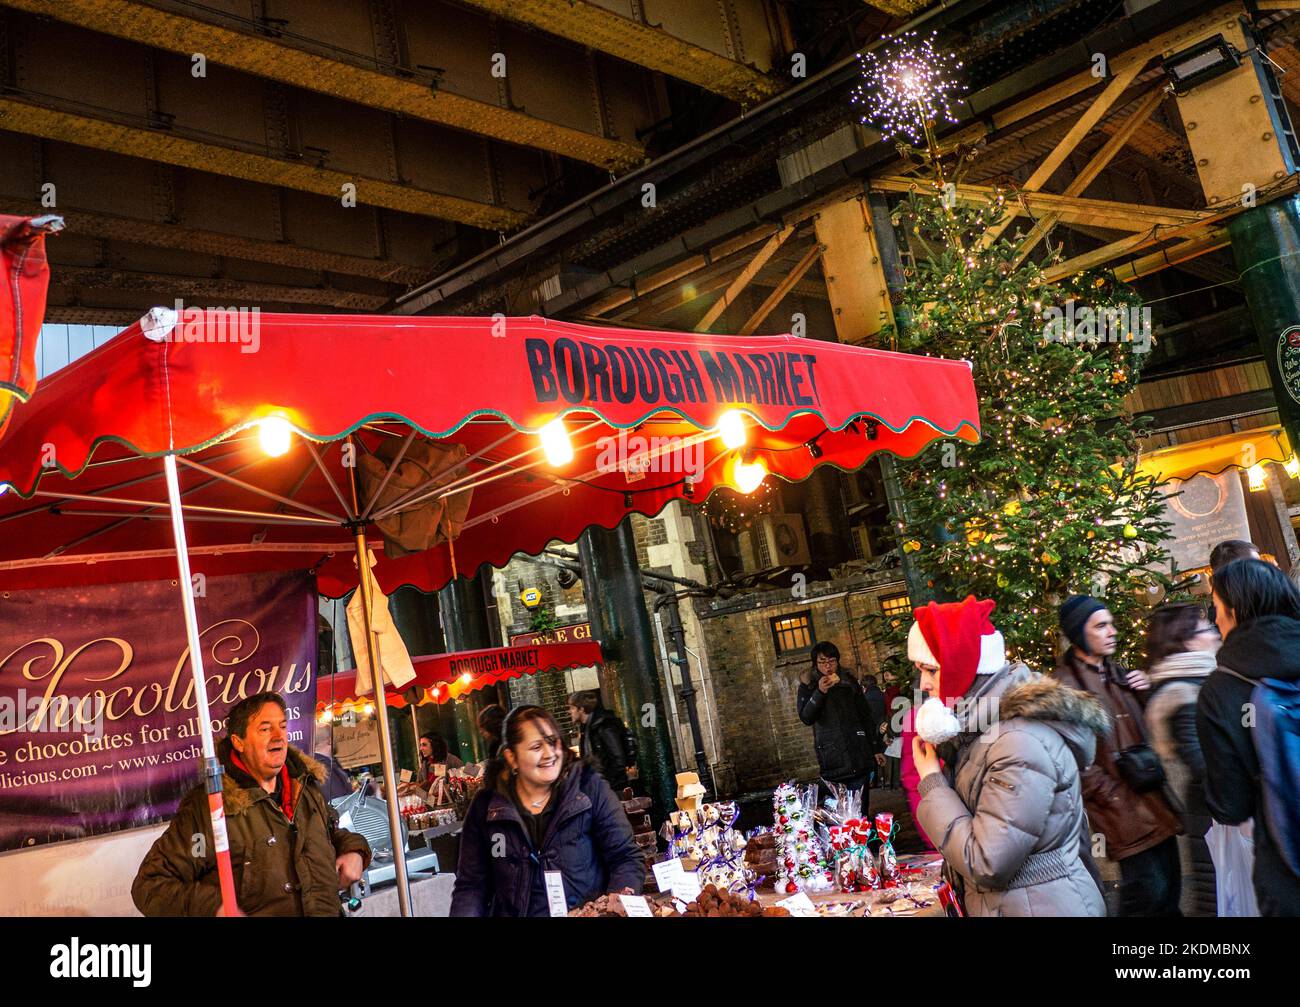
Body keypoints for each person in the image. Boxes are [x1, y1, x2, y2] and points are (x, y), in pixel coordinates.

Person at [912, 596, 1107, 916]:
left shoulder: (1017, 741)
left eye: (931, 670)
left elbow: (988, 862)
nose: (923, 683)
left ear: (961, 665)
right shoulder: (981, 729)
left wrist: (932, 782)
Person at [132, 692, 371, 916]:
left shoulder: (304, 786)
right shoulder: (210, 806)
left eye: (283, 727)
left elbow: (329, 834)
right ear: (239, 742)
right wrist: (212, 907)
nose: (279, 736)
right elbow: (150, 885)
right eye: (265, 729)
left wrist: (354, 850)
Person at [450, 705, 645, 916]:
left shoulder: (588, 788)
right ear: (511, 757)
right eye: (536, 747)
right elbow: (471, 886)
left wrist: (613, 905)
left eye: (553, 742)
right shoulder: (486, 806)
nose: (549, 754)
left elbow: (625, 857)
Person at [1056, 596, 1183, 916]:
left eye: (1111, 623)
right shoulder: (1066, 686)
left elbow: (1143, 731)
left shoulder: (1117, 673)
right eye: (1101, 626)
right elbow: (1070, 759)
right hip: (1118, 810)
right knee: (1147, 894)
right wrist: (1109, 794)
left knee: (1169, 890)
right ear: (1079, 633)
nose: (1112, 631)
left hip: (1150, 795)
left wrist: (1144, 690)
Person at [1198, 559, 1300, 915]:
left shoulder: (1222, 687)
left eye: (1215, 605)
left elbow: (1230, 805)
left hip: (1286, 871)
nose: (1214, 617)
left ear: (1235, 610)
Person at [1143, 604, 1220, 917]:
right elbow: (1201, 762)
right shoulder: (1180, 691)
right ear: (1187, 641)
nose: (1214, 632)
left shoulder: (1196, 679)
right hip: (1206, 807)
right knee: (1213, 893)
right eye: (1204, 629)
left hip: (1208, 805)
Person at [796, 642, 885, 808]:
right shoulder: (809, 685)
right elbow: (806, 717)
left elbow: (865, 716)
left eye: (832, 661)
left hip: (858, 753)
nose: (828, 666)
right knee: (840, 814)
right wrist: (819, 692)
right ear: (815, 663)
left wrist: (876, 748)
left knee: (861, 811)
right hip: (832, 757)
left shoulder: (849, 682)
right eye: (823, 662)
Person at [567, 690, 632, 793]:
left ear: (581, 709)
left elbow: (618, 758)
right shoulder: (587, 729)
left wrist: (609, 785)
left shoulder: (604, 726)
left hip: (612, 789)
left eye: (572, 708)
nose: (570, 711)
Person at [313, 728, 357, 803]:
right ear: (330, 741)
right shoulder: (320, 767)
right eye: (334, 738)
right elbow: (339, 800)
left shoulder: (328, 762)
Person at [861, 674, 887, 787]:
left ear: (863, 686)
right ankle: (885, 779)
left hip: (871, 730)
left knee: (874, 755)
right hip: (884, 727)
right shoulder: (883, 695)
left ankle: (874, 781)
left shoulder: (864, 699)